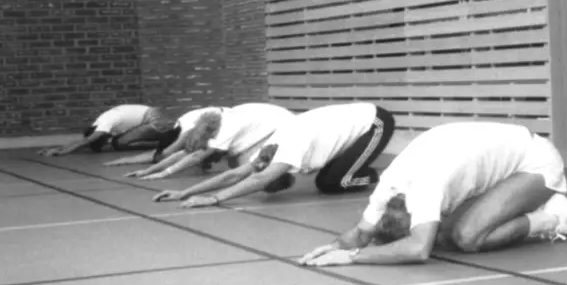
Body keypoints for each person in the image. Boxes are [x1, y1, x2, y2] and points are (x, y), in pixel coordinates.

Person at [298, 121, 567, 267]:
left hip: (536, 160)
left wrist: (350, 257)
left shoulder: (426, 187)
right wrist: (333, 246)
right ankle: (526, 205)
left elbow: (418, 249)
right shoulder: (387, 189)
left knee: (465, 238)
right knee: (448, 235)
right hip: (499, 160)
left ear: (415, 215)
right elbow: (362, 232)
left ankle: (554, 218)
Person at [153, 102, 393, 208]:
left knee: (333, 183)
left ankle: (381, 177)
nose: (256, 169)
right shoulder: (268, 152)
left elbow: (256, 179)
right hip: (346, 126)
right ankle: (355, 167)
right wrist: (184, 193)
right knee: (326, 180)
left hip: (374, 122)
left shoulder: (286, 151)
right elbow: (236, 175)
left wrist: (213, 199)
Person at [130, 103, 293, 180]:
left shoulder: (226, 129)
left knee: (243, 169)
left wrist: (164, 173)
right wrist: (149, 171)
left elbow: (195, 156)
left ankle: (281, 173)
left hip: (282, 126)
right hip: (268, 121)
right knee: (234, 162)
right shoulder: (215, 123)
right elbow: (187, 152)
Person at [103, 106, 225, 172]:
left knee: (195, 148)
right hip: (205, 121)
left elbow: (169, 152)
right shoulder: (188, 127)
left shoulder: (189, 130)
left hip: (210, 120)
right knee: (168, 154)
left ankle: (205, 159)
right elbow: (166, 153)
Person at [39, 104, 179, 158]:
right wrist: (58, 148)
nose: (106, 141)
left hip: (155, 120)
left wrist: (61, 151)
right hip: (150, 118)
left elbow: (86, 141)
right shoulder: (100, 123)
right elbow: (87, 140)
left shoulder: (105, 123)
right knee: (119, 141)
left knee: (119, 143)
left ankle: (167, 142)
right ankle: (164, 140)